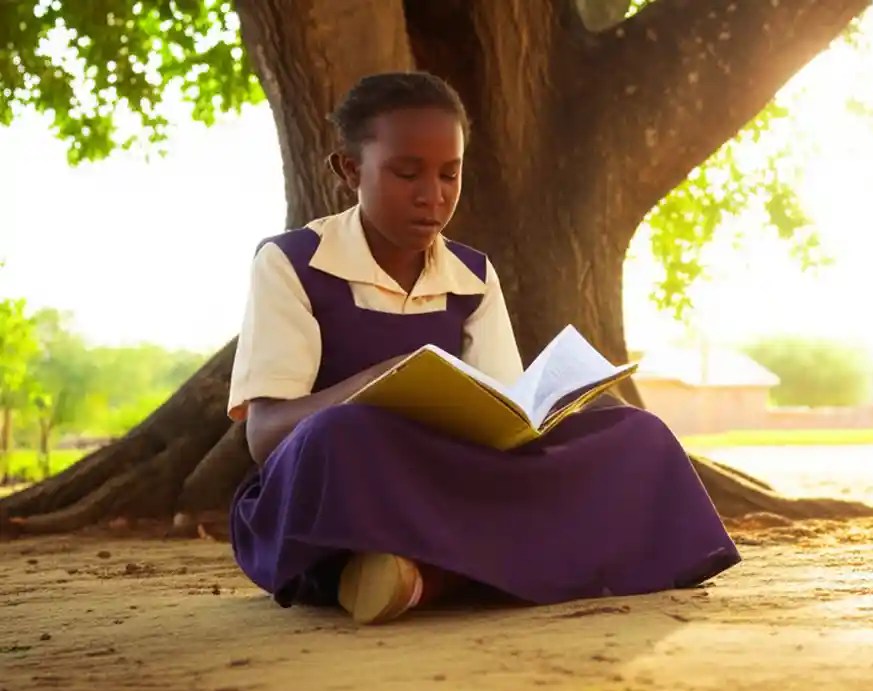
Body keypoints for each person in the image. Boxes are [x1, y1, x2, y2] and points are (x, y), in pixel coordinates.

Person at [226, 71, 741, 624]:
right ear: (349, 169)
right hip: (355, 474)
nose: (433, 195)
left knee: (633, 430)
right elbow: (266, 434)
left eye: (450, 174)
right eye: (406, 173)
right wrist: (382, 380)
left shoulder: (472, 275)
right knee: (340, 435)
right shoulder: (292, 264)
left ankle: (418, 575)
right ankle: (474, 566)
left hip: (458, 476)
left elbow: (504, 415)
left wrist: (539, 413)